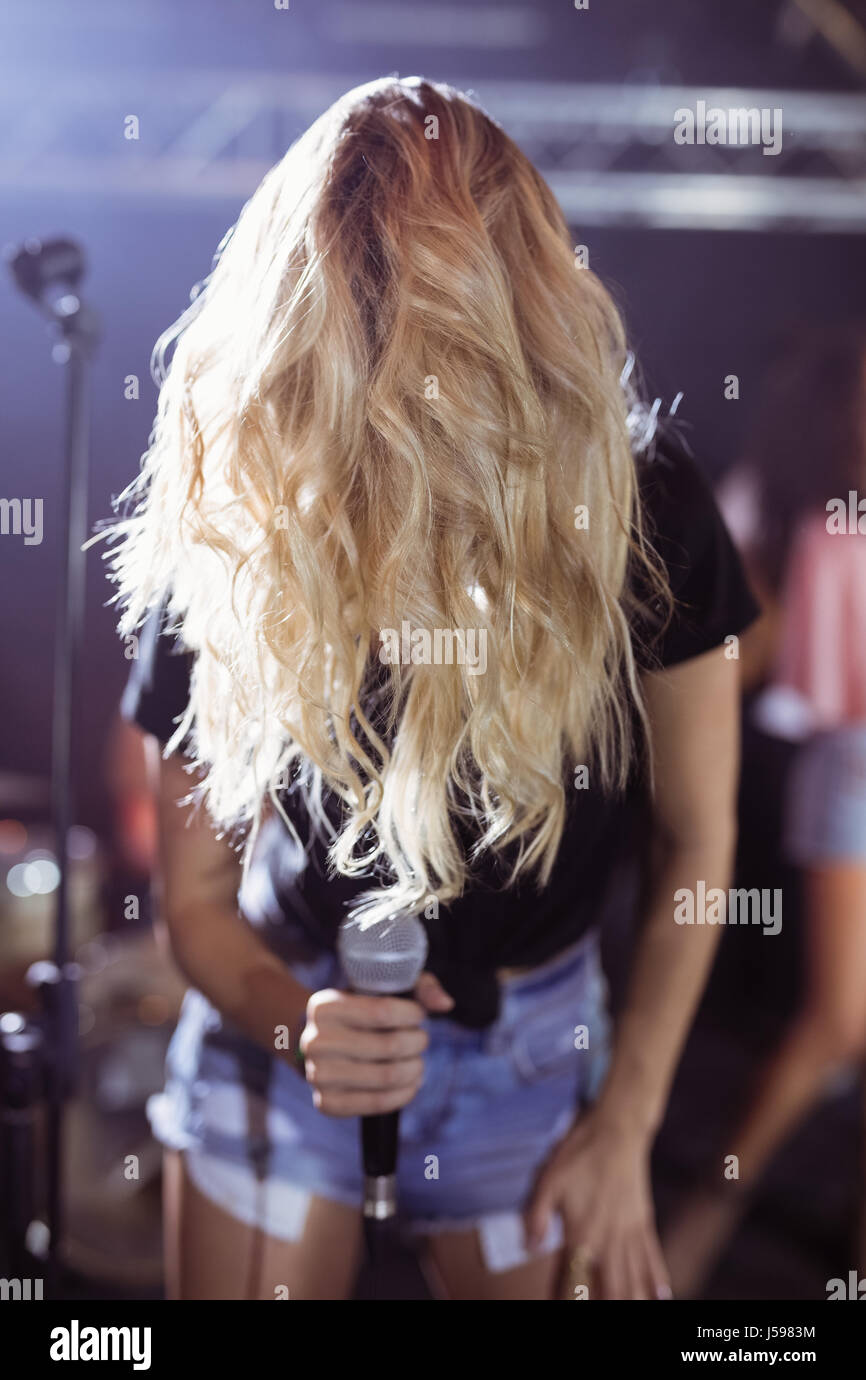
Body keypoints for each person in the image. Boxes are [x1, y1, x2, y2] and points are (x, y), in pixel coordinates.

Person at [108, 75, 759, 1300]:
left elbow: (699, 841)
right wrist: (291, 1022)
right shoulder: (236, 511)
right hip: (283, 1031)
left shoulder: (641, 507)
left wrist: (626, 1120)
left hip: (533, 1054)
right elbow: (192, 896)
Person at [663, 324, 866, 1297]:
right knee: (834, 1021)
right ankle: (702, 1218)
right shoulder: (783, 505)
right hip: (847, 767)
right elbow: (727, 656)